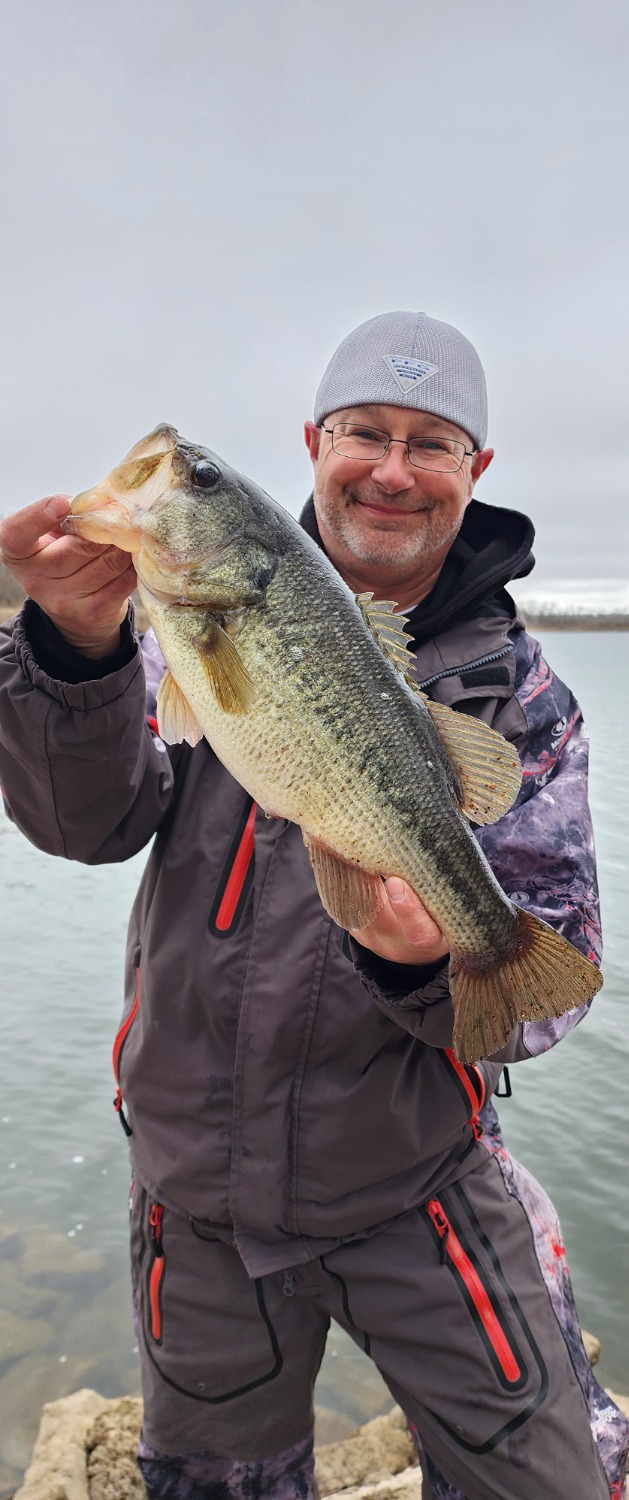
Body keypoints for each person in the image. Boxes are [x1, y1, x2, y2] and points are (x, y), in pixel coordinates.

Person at [0, 310, 627, 1500]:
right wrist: (73, 650)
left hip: (417, 1186)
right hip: (191, 1194)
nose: (391, 469)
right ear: (312, 443)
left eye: (429, 442)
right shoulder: (174, 624)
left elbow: (538, 1002)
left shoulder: (523, 697)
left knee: (544, 1482)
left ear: (475, 469)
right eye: (363, 432)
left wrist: (421, 964)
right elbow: (86, 826)